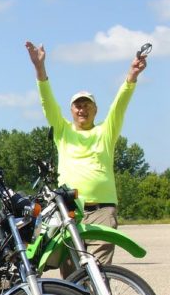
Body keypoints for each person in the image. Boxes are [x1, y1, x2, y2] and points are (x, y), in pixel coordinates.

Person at [25, 40, 148, 268]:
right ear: (71, 110)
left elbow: (119, 105)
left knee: (98, 270)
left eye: (87, 105)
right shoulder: (62, 131)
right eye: (77, 106)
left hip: (102, 209)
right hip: (69, 209)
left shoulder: (105, 132)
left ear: (95, 109)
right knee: (71, 273)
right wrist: (39, 68)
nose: (82, 109)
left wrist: (132, 75)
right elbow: (47, 102)